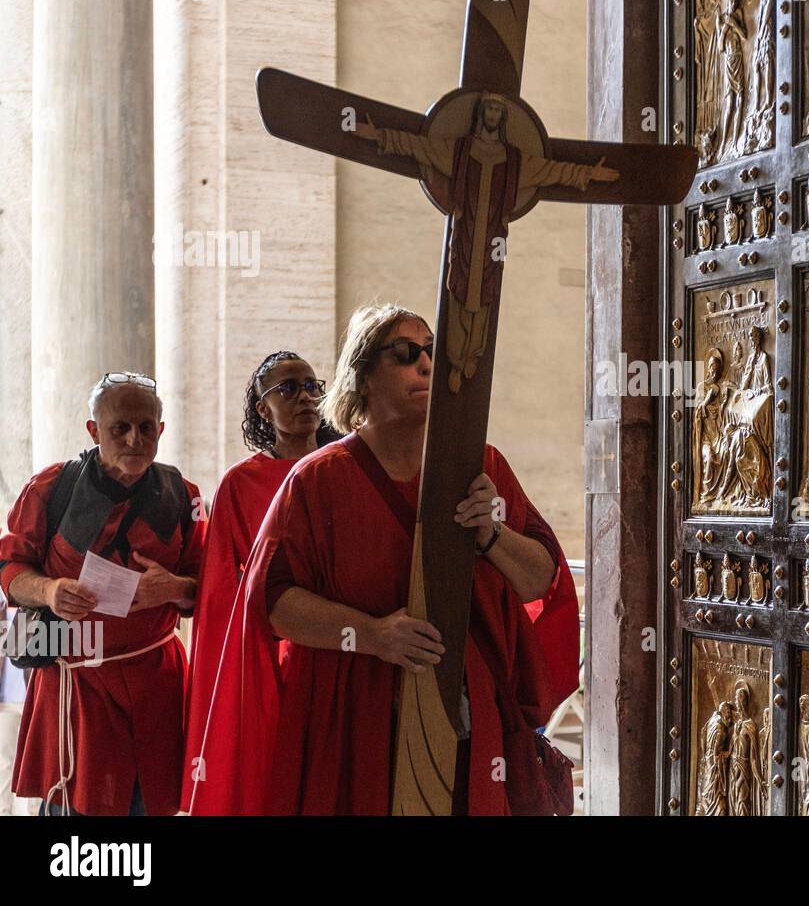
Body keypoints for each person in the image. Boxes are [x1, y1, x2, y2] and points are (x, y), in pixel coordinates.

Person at [207, 303, 578, 814]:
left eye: (432, 353)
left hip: (469, 707)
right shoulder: (318, 480)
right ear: (361, 376)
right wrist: (373, 634)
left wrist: (491, 535)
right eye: (405, 354)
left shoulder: (482, 462)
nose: (426, 365)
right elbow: (272, 602)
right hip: (354, 706)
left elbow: (541, 581)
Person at [0, 372, 204, 815]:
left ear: (161, 430)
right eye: (120, 428)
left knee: (151, 807)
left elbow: (209, 587)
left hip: (156, 683)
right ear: (94, 430)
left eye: (146, 427)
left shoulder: (185, 497)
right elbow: (10, 566)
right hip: (76, 682)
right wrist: (49, 590)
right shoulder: (51, 488)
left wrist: (176, 588)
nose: (135, 439)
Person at [181, 352, 340, 815]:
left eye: (312, 386)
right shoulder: (240, 483)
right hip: (271, 656)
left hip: (347, 645)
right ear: (261, 409)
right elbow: (222, 596)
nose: (305, 397)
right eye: (287, 389)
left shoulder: (347, 465)